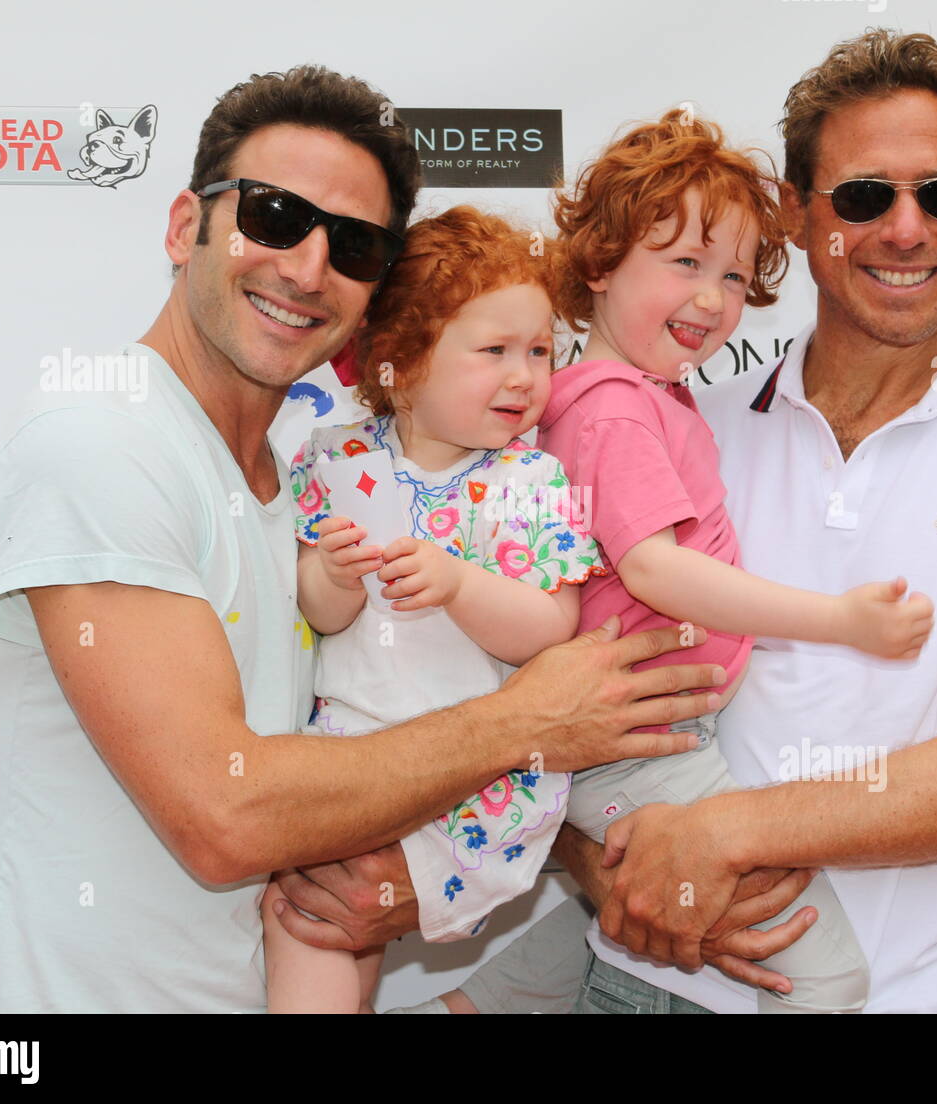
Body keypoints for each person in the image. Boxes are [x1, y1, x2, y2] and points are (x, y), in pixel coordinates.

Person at [0, 67, 722, 1013]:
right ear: (187, 226)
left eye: (351, 245)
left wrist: (414, 876)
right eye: (272, 216)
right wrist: (528, 726)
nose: (308, 268)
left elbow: (349, 753)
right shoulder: (99, 441)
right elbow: (226, 815)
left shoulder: (300, 473)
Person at [383, 30, 937, 1014]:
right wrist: (604, 858)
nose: (905, 230)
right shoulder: (686, 421)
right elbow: (546, 688)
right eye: (863, 196)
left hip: (918, 996)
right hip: (635, 980)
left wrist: (722, 833)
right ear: (797, 213)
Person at [260, 206, 610, 1012]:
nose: (524, 377)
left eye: (539, 353)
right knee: (317, 921)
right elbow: (318, 610)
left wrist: (460, 584)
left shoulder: (535, 483)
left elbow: (550, 628)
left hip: (469, 780)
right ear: (403, 363)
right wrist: (336, 578)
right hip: (345, 753)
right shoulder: (335, 458)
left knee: (335, 920)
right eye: (494, 353)